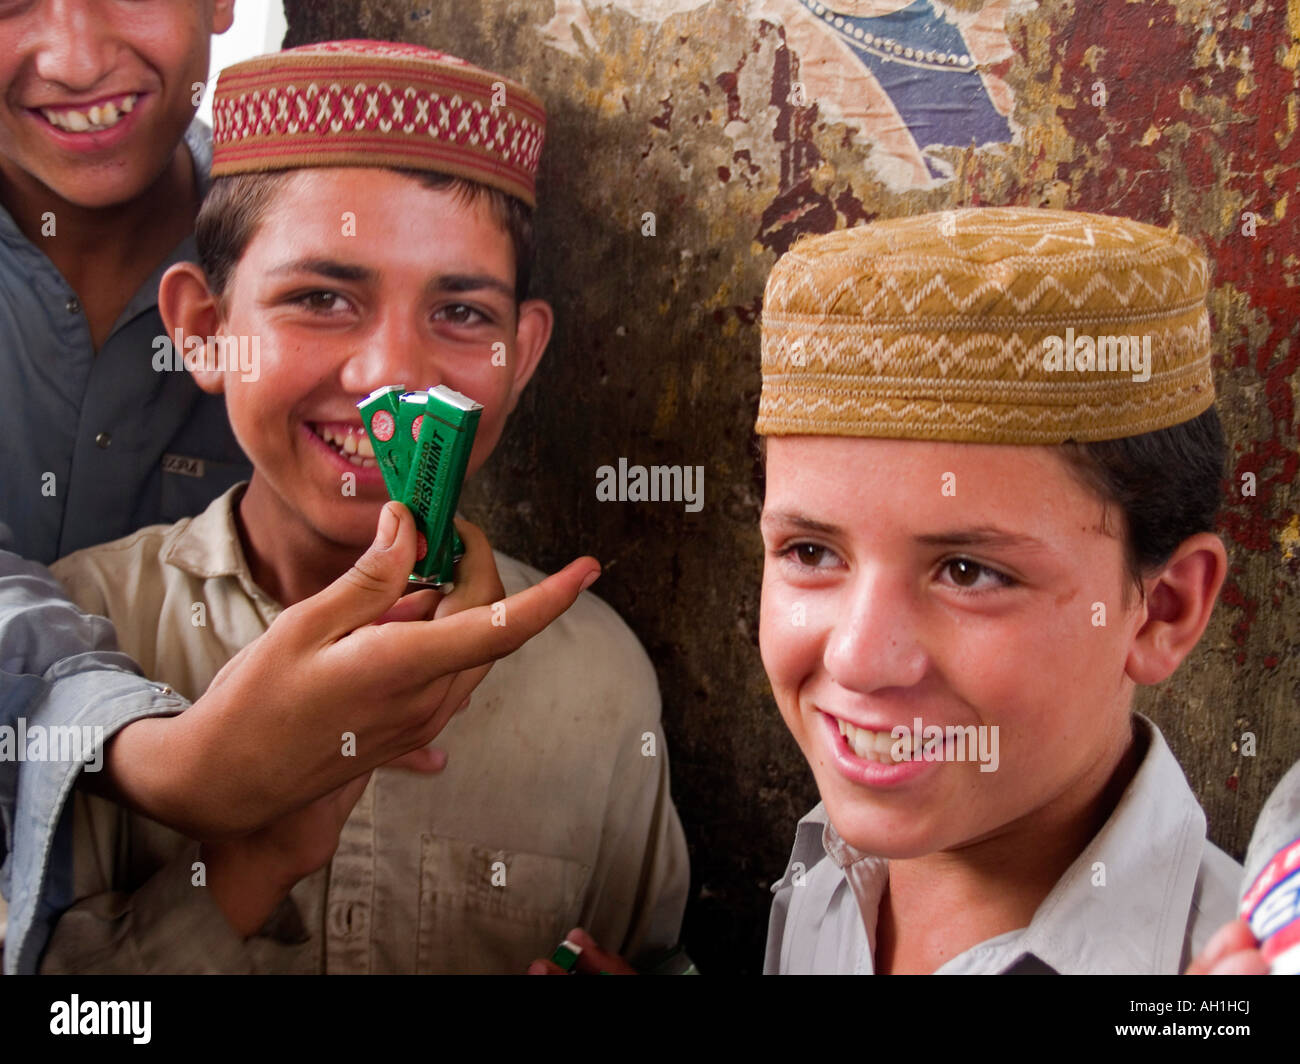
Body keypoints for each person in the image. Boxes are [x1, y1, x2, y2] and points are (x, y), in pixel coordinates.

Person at [41, 39, 689, 973]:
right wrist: (252, 861)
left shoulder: (597, 679)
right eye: (320, 298)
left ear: (522, 355)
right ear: (206, 331)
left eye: (460, 313)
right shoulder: (87, 637)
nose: (391, 376)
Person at [534, 207, 1242, 975]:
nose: (859, 659)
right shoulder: (831, 880)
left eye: (968, 572)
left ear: (1163, 610)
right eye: (811, 552)